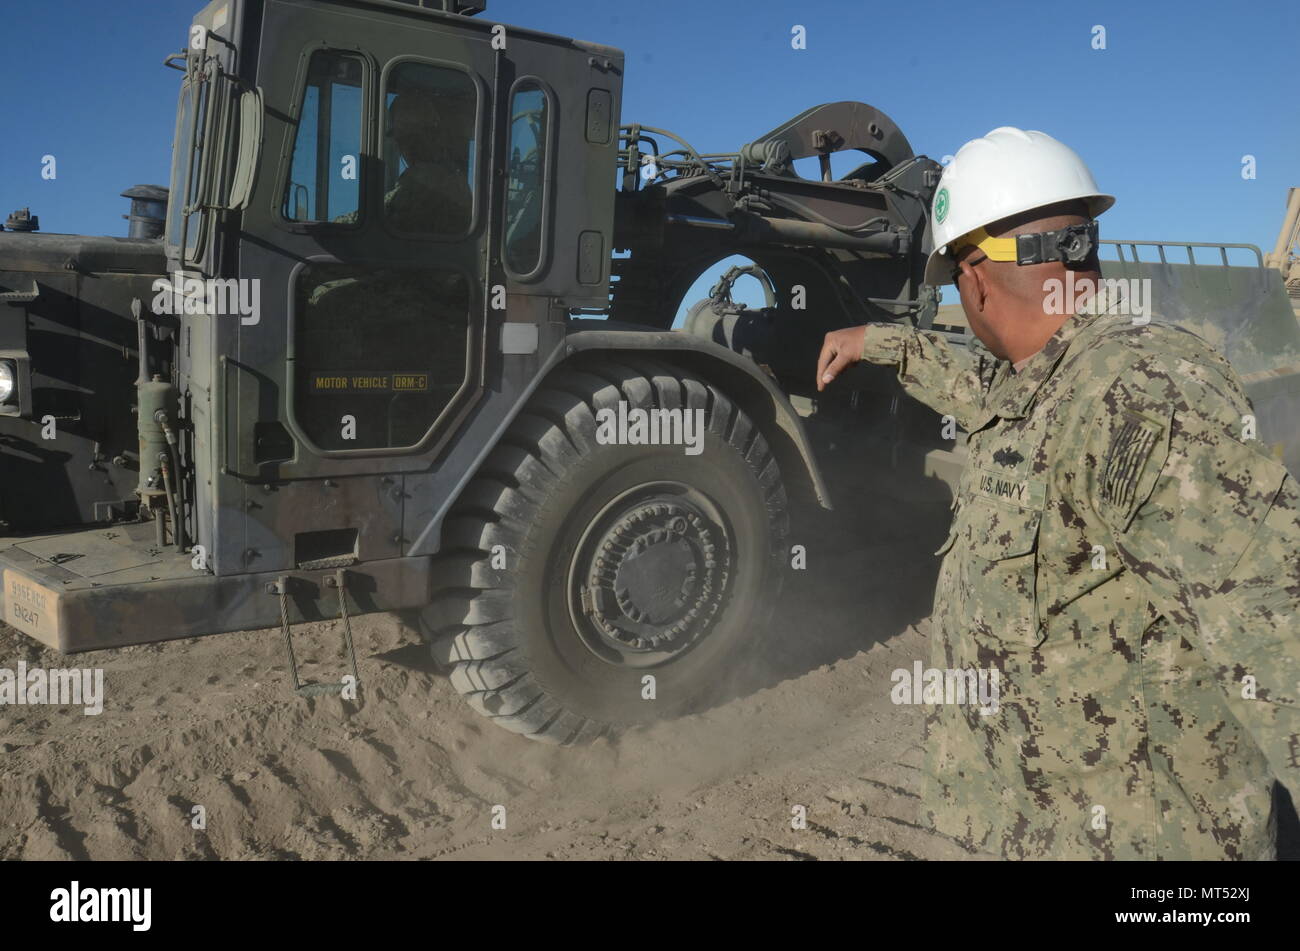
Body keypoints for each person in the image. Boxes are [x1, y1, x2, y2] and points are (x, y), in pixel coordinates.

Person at [817, 126, 1300, 859]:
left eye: (954, 282)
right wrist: (879, 342)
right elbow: (979, 387)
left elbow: (1279, 643)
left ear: (975, 279)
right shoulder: (1051, 377)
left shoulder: (1140, 400)